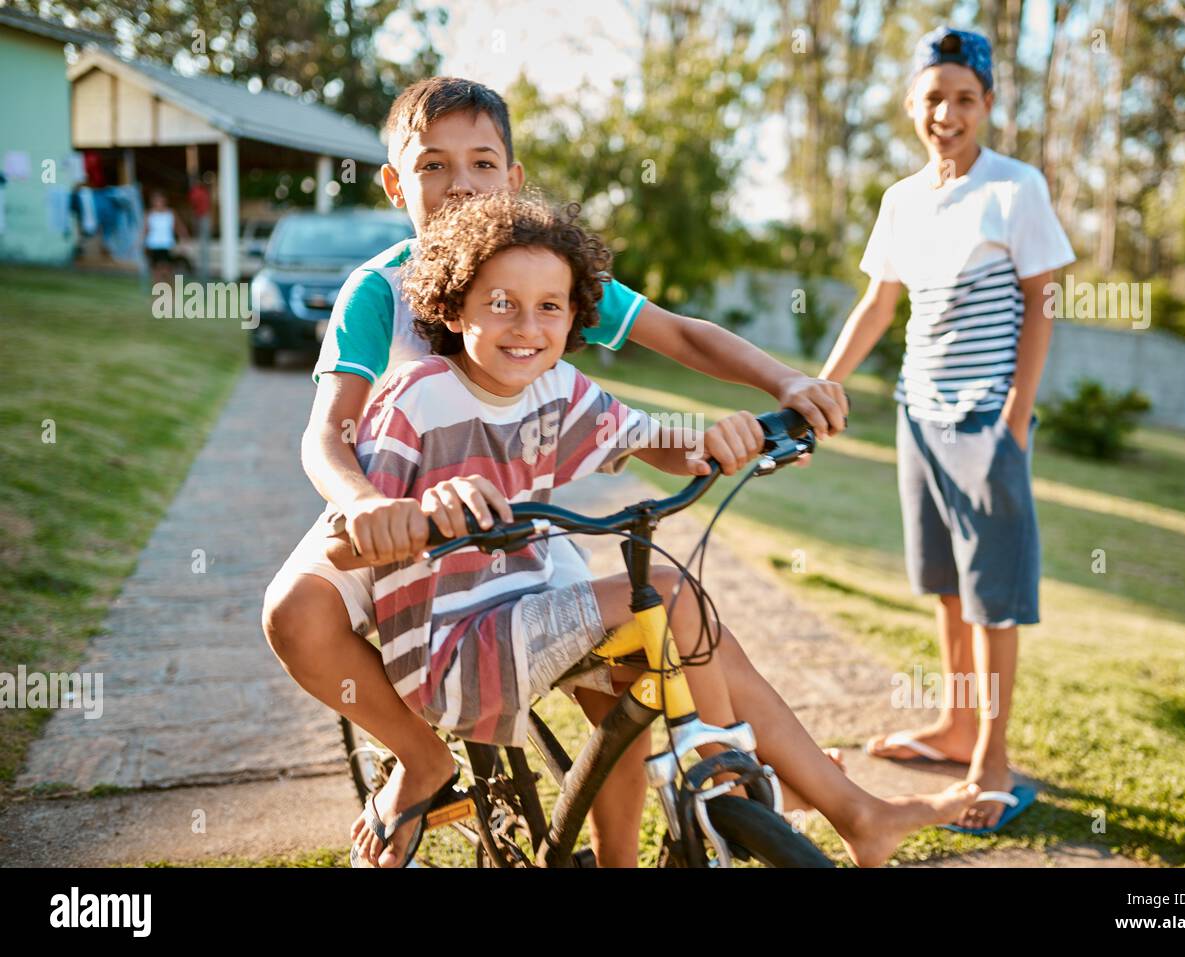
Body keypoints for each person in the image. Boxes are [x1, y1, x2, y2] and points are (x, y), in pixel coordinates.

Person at [261, 77, 850, 867]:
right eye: (433, 166)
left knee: (622, 671)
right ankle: (420, 759)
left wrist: (778, 390)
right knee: (296, 610)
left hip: (513, 525)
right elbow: (328, 433)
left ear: (513, 177)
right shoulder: (383, 293)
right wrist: (367, 504)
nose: (461, 183)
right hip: (396, 499)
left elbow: (671, 355)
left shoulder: (536, 278)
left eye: (481, 163)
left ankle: (672, 813)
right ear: (397, 183)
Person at [322, 190, 980, 867]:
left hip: (522, 608)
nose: (527, 325)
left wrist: (723, 436)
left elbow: (650, 439)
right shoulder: (414, 398)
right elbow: (347, 538)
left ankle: (756, 799)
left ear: (576, 315)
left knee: (652, 658)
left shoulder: (556, 388)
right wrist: (413, 514)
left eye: (550, 305)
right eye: (500, 303)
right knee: (671, 593)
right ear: (455, 306)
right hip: (452, 653)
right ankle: (730, 774)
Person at [818, 26, 1075, 834]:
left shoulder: (1014, 188)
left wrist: (1015, 416)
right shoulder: (901, 199)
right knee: (944, 586)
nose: (948, 112)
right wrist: (820, 385)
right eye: (934, 97)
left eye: (965, 98)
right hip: (917, 415)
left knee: (994, 596)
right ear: (912, 105)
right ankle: (957, 723)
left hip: (984, 420)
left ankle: (991, 757)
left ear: (988, 105)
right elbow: (878, 305)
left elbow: (1043, 301)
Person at [141, 190, 187, 283]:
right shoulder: (149, 214)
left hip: (167, 244)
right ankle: (157, 293)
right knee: (156, 270)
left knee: (167, 269)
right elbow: (145, 230)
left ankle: (170, 291)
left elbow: (179, 228)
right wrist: (140, 242)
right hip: (153, 244)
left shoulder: (171, 213)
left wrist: (184, 240)